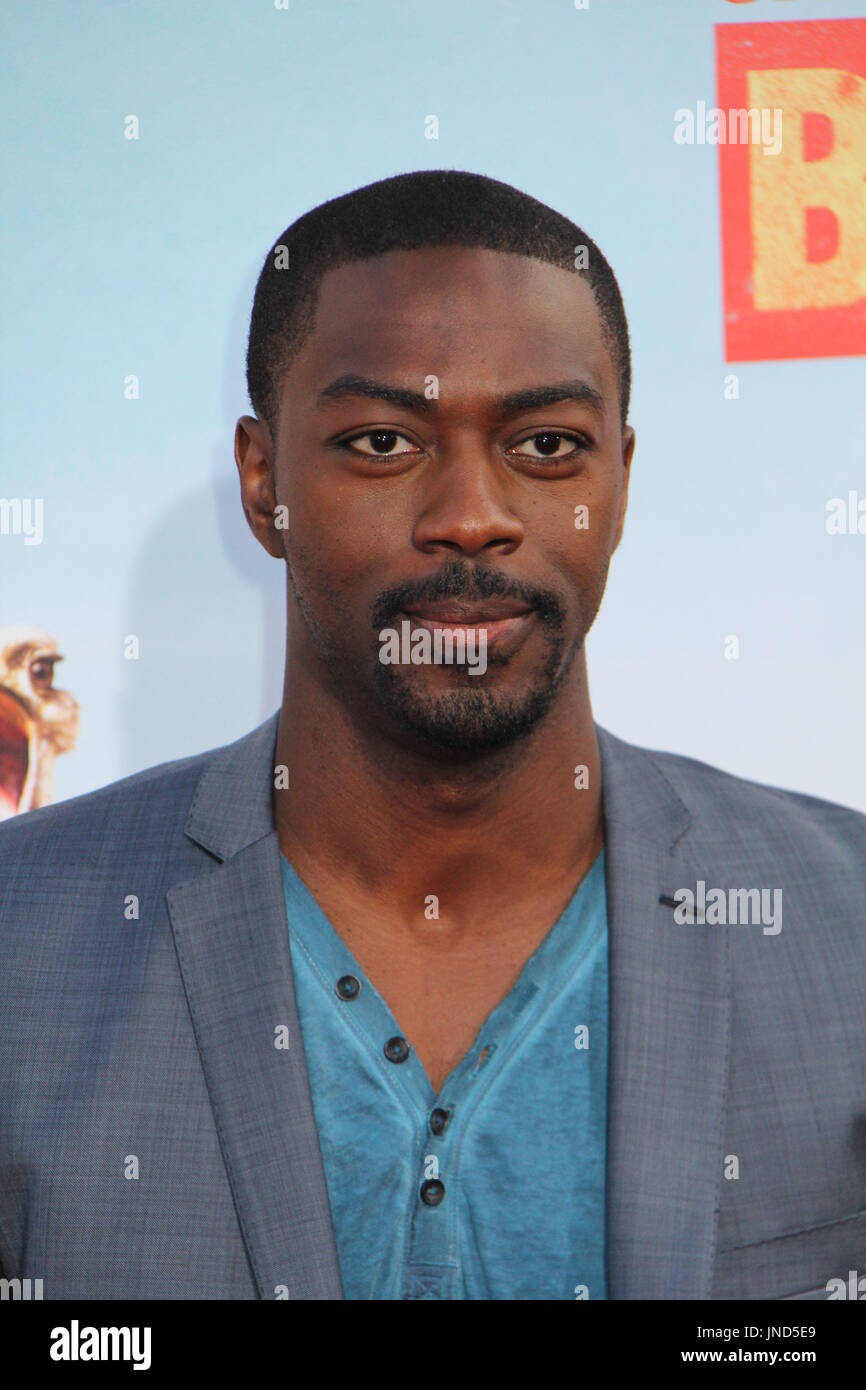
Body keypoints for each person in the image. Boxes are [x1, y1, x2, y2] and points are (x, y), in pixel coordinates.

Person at [0, 171, 863, 1302]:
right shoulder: (23, 938)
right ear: (262, 485)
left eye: (546, 445)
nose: (470, 515)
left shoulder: (843, 920)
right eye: (381, 441)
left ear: (620, 481)